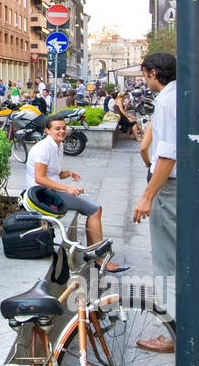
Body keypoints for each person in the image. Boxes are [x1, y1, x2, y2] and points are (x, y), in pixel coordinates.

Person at [26, 116, 128, 273]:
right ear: (47, 130)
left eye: (63, 128)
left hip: (51, 190)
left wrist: (68, 173)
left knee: (92, 206)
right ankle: (99, 259)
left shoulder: (56, 145)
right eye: (57, 128)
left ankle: (93, 253)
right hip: (43, 195)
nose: (62, 131)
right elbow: (39, 179)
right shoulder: (43, 148)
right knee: (94, 209)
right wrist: (66, 189)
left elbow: (53, 173)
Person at [132, 53, 177, 352]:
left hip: (171, 186)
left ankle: (173, 331)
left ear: (153, 73)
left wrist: (148, 195)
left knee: (167, 260)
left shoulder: (165, 101)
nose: (144, 80)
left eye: (145, 74)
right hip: (177, 184)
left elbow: (167, 153)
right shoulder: (179, 95)